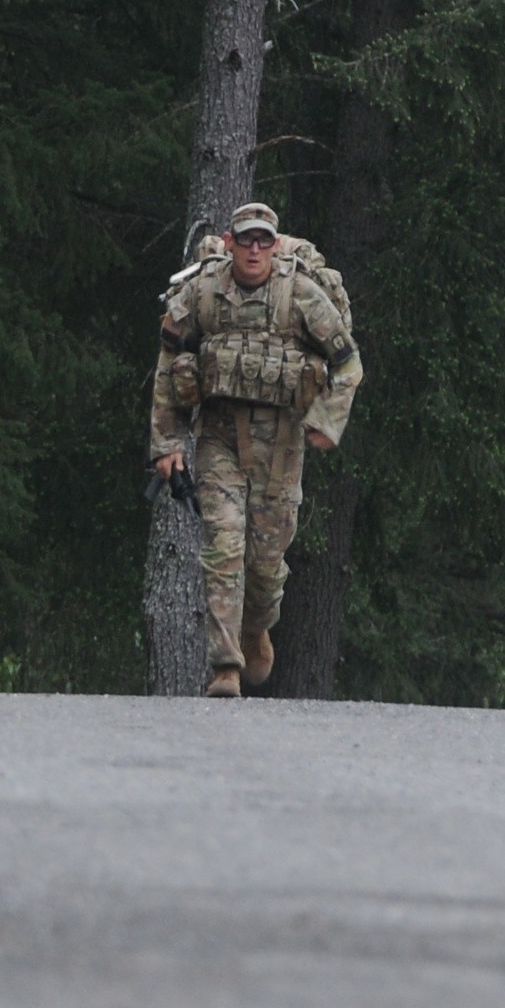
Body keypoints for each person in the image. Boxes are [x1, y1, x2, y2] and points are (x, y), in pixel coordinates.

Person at [149, 202, 363, 698]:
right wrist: (167, 443)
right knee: (223, 547)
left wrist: (328, 421)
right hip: (220, 438)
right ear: (229, 242)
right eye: (246, 239)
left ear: (274, 243)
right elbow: (170, 361)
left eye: (264, 240)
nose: (255, 249)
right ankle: (225, 667)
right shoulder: (204, 294)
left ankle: (257, 624)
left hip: (282, 446)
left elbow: (348, 363)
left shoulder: (301, 295)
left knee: (265, 568)